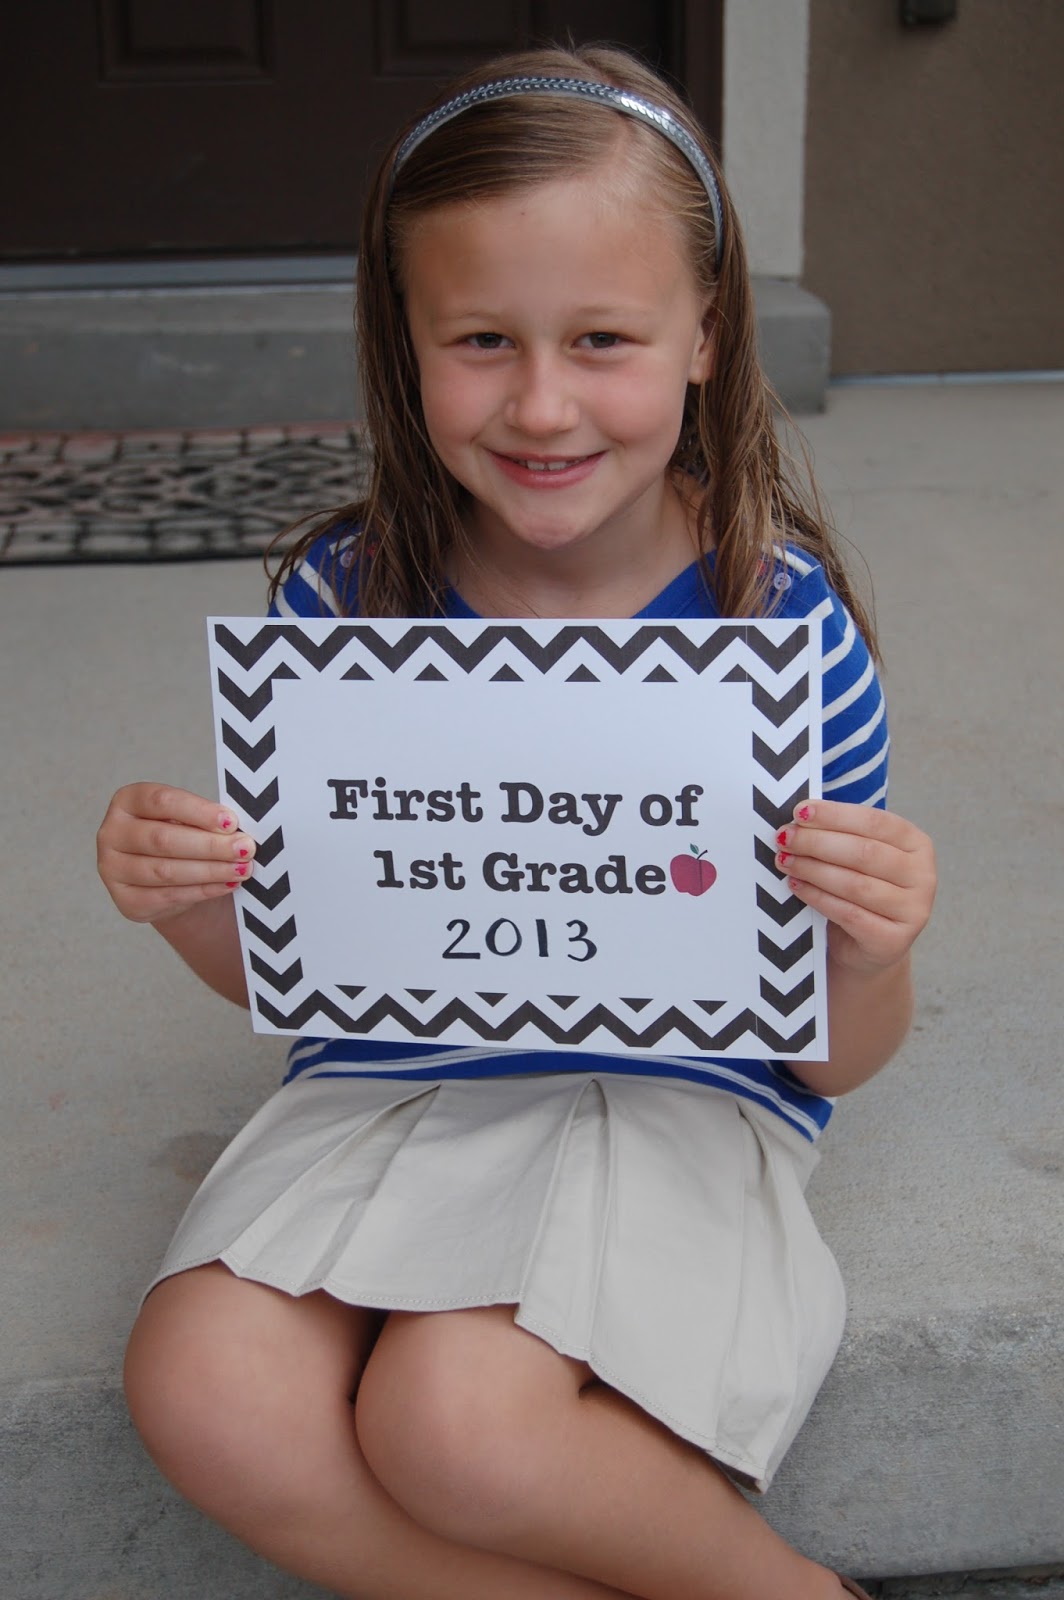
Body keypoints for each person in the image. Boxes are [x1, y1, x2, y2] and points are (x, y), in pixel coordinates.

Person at [96, 44, 936, 1600]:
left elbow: (831, 1052)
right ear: (403, 343)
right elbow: (312, 968)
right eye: (481, 339)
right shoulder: (344, 600)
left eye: (602, 338)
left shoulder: (782, 627)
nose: (542, 403)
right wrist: (197, 899)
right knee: (204, 1390)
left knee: (459, 1422)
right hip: (389, 1082)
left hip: (667, 1101)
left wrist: (872, 951)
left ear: (703, 336)